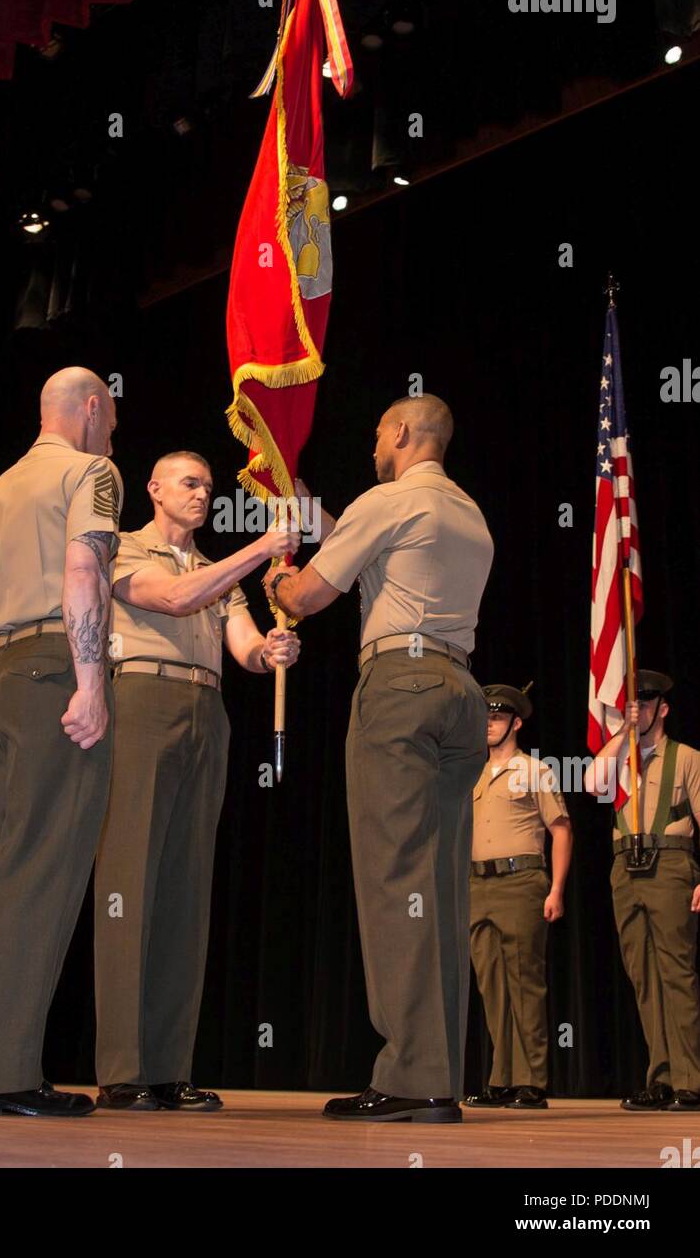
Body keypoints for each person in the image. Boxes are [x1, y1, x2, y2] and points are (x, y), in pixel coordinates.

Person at [263, 393, 493, 1123]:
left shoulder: (387, 500)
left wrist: (274, 579)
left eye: (374, 435)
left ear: (399, 433)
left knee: (395, 877)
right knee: (440, 887)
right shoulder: (469, 513)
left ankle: (409, 1079)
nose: (370, 449)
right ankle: (439, 1074)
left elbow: (308, 594)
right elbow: (377, 569)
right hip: (460, 693)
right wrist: (314, 516)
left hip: (399, 688)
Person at [0, 367, 122, 1118]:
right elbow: (84, 568)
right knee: (40, 870)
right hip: (51, 673)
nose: (114, 431)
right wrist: (90, 681)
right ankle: (1, 1074)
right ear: (92, 406)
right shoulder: (93, 471)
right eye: (111, 415)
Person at [94, 451, 301, 1111]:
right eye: (191, 482)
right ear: (154, 488)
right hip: (142, 706)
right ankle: (122, 1069)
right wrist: (264, 544)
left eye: (209, 486)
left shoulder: (219, 573)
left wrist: (272, 651)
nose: (203, 493)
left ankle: (167, 1066)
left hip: (204, 714)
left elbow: (241, 647)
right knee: (130, 885)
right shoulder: (124, 548)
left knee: (187, 893)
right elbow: (175, 597)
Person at [584, 670, 700, 1112]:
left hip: (670, 865)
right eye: (634, 704)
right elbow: (592, 784)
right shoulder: (621, 760)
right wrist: (624, 731)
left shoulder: (687, 758)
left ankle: (690, 1079)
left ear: (664, 709)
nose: (640, 709)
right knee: (643, 978)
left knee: (677, 973)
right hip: (625, 870)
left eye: (648, 704)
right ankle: (663, 1077)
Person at [464, 684, 572, 1110]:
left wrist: (557, 889)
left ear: (516, 722)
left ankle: (532, 1080)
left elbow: (561, 828)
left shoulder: (535, 770)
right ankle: (502, 1079)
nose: (489, 724)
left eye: (497, 717)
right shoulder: (470, 770)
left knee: (525, 983)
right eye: (486, 716)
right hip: (477, 885)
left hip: (521, 881)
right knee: (492, 986)